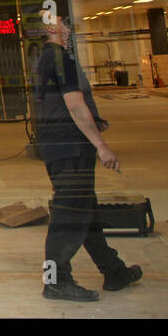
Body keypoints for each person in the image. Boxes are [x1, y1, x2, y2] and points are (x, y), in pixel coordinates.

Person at [34, 16, 142, 302]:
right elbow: (74, 104)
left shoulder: (47, 59)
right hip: (69, 148)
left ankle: (114, 271)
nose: (68, 28)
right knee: (68, 217)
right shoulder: (60, 60)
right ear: (48, 30)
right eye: (62, 24)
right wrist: (102, 146)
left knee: (86, 213)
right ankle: (56, 282)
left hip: (63, 146)